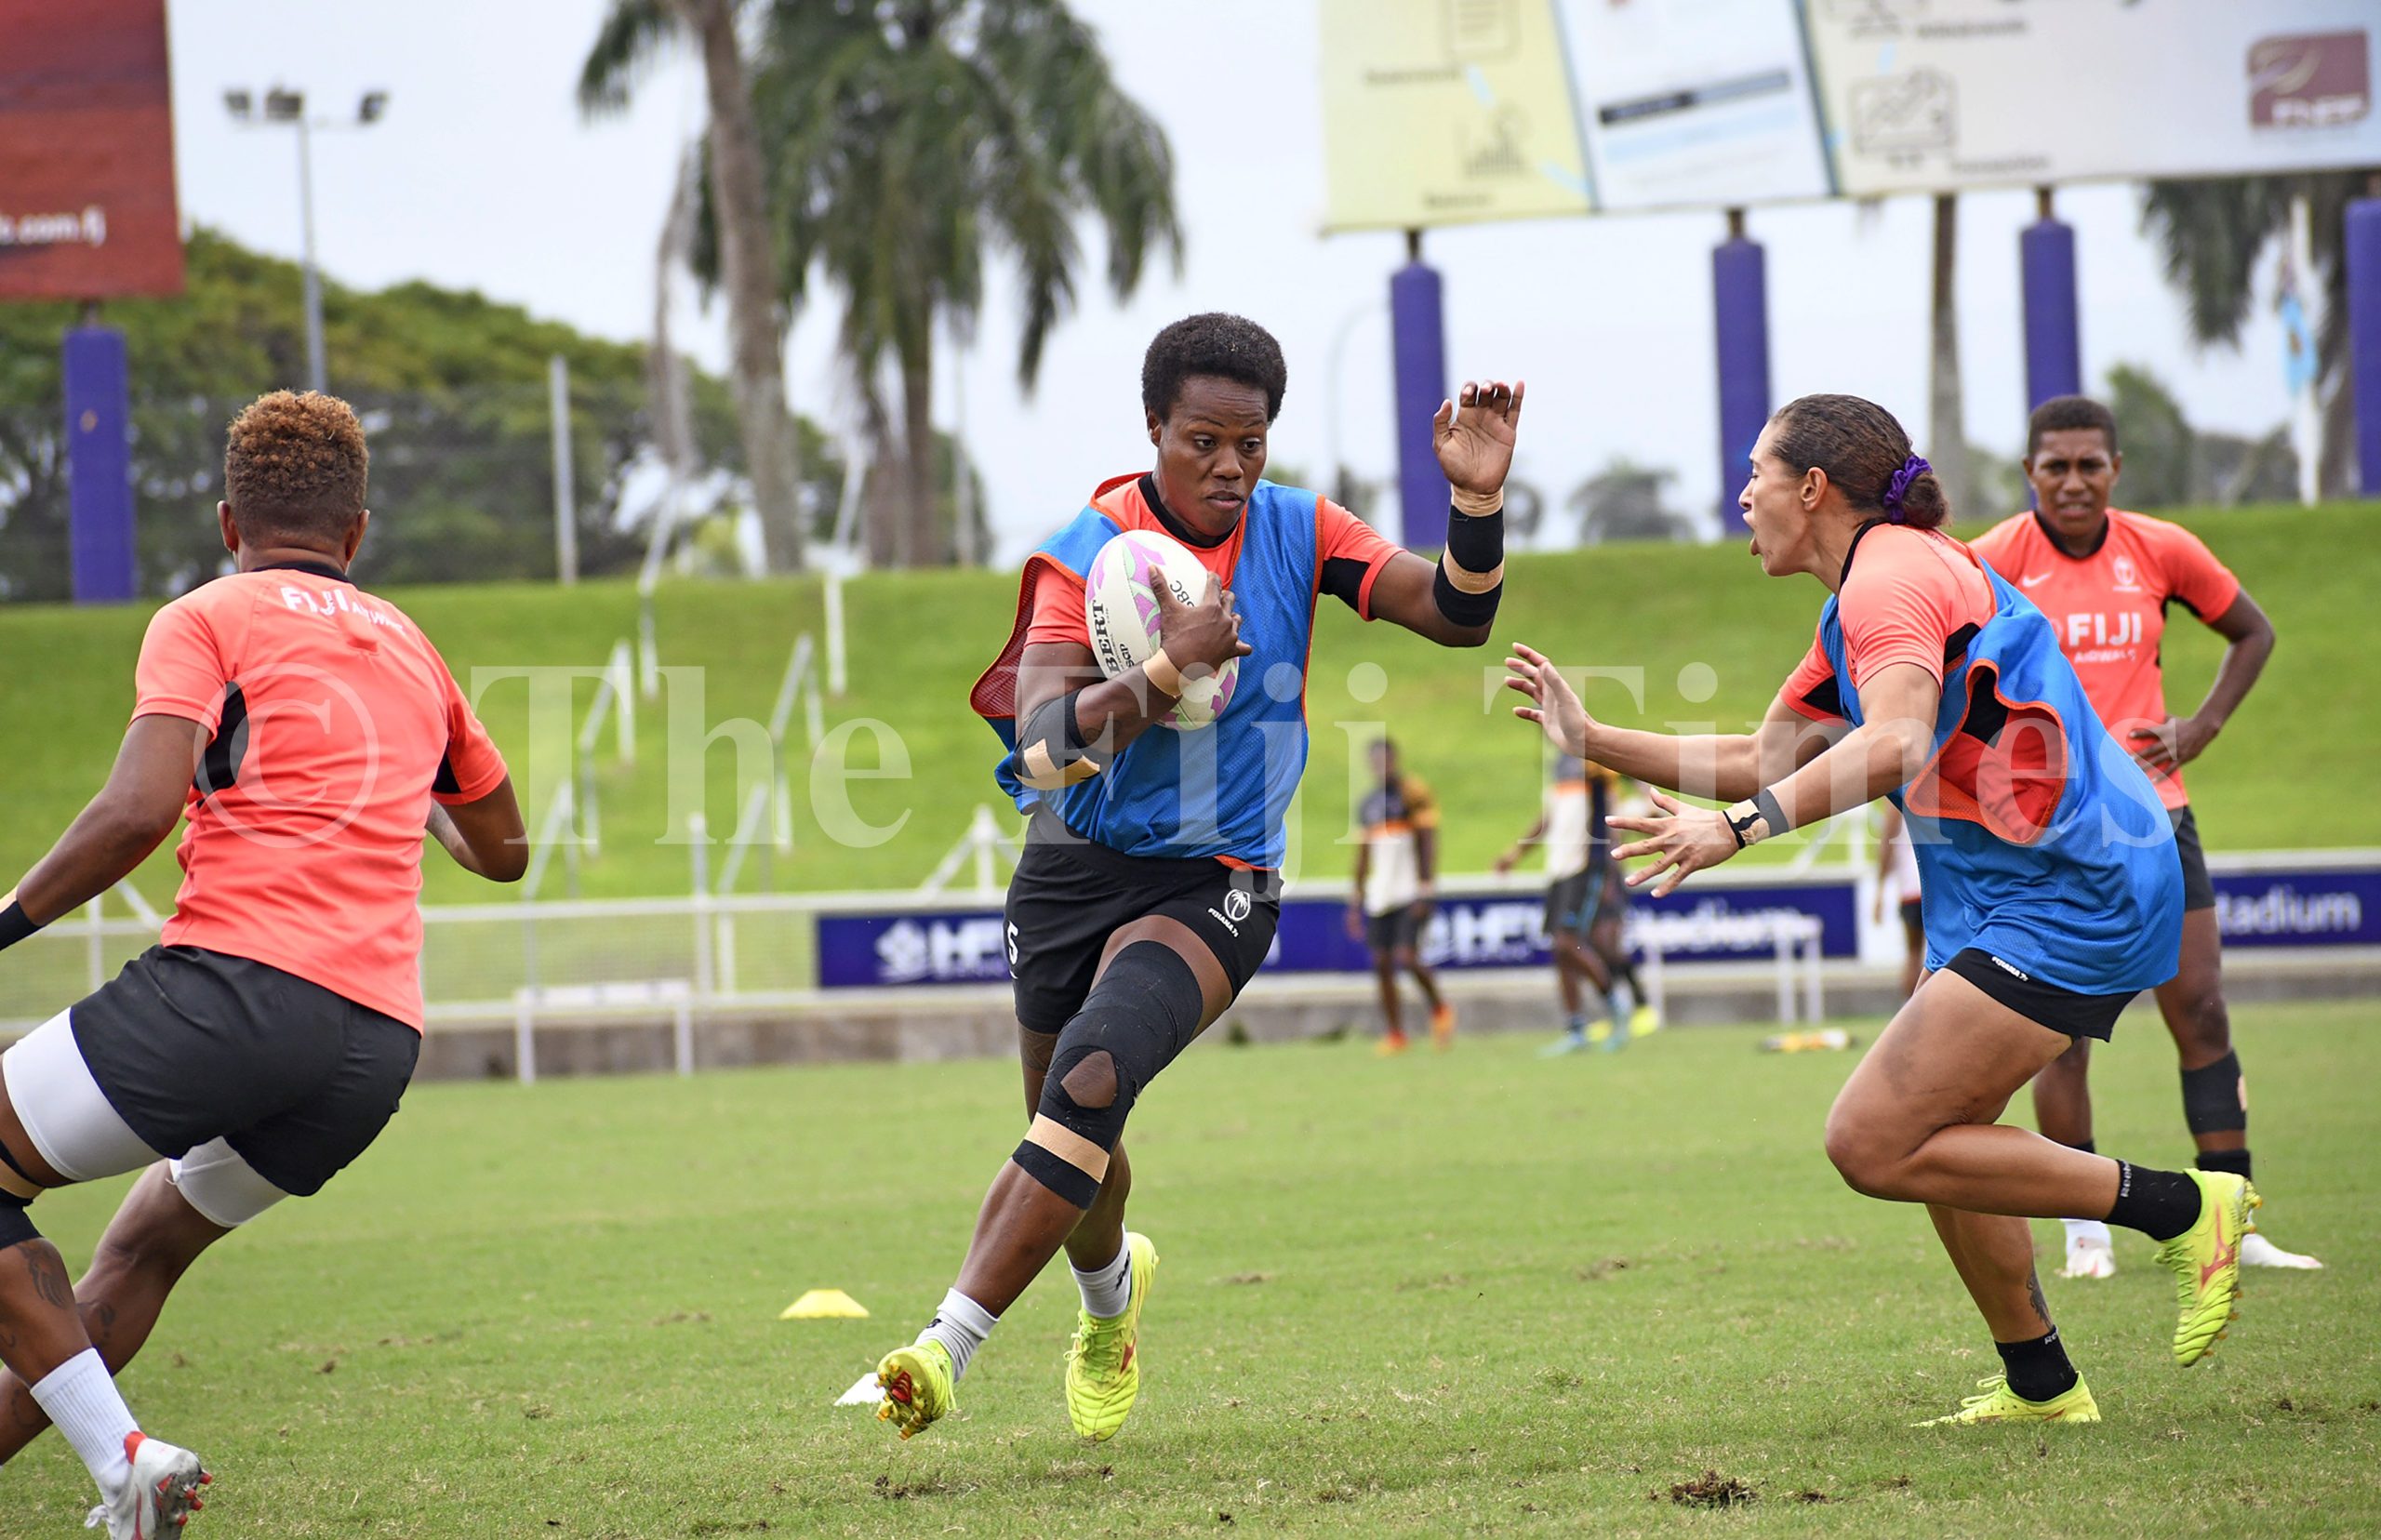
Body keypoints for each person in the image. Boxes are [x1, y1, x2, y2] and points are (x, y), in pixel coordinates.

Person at [1505, 392, 2257, 1427]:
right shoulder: (1860, 598)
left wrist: (1738, 831)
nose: (1742, 497)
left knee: (1871, 1140)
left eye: (1757, 475)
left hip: (2071, 884)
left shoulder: (1890, 579)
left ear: (1812, 488)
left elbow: (1894, 742)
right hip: (2009, 888)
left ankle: (2184, 1207)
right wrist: (1592, 739)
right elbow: (1763, 756)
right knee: (1937, 1134)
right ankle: (2041, 1384)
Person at [870, 314, 1522, 1442]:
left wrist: (1474, 500)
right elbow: (1041, 752)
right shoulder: (1088, 551)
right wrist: (1170, 666)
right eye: (1202, 442)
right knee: (1071, 1128)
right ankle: (1109, 1303)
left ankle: (942, 1348)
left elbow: (1457, 616)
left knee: (1090, 1077)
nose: (1229, 468)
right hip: (1070, 871)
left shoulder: (1299, 528)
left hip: (1217, 878)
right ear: (1154, 429)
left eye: (1249, 445)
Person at [0, 392, 524, 1533]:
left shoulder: (207, 615)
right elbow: (505, 852)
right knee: (142, 1247)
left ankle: (123, 1459)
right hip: (372, 1051)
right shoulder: (411, 646)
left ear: (229, 523)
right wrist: (402, 787)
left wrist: (4, 922)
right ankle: (122, 1467)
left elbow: (137, 811)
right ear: (358, 531)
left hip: (234, 991)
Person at [1971, 395, 2318, 1277]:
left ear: (2115, 469)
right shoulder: (1993, 561)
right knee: (2058, 1035)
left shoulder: (2160, 548)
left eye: (2090, 464)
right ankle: (2084, 1232)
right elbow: (1944, 664)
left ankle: (2234, 1222)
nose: (2074, 481)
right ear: (2030, 472)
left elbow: (2253, 631)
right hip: (2050, 830)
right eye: (2056, 466)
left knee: (2201, 1009)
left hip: (2158, 816)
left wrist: (2200, 727)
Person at [1495, 753, 1657, 1053]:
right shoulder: (1559, 766)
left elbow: (1626, 773)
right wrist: (1515, 854)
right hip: (1559, 869)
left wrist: (1608, 869)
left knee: (1573, 942)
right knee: (1561, 950)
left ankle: (1618, 1006)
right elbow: (1550, 817)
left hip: (1586, 867)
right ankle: (1576, 1027)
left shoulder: (1593, 761)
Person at [1347, 738, 1455, 1055]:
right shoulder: (1368, 804)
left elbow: (1428, 841)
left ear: (1395, 760)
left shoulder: (1413, 793)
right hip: (1380, 894)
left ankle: (1439, 1008)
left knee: (1406, 957)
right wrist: (1356, 899)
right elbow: (1363, 855)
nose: (1381, 767)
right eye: (1375, 762)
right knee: (1381, 962)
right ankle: (1396, 1033)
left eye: (1386, 760)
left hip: (1409, 890)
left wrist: (1426, 888)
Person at [1874, 801, 1925, 1002]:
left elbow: (1887, 839)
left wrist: (1880, 887)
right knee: (1946, 954)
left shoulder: (1898, 793)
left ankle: (1911, 1009)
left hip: (1912, 886)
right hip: (1941, 885)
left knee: (1913, 954)